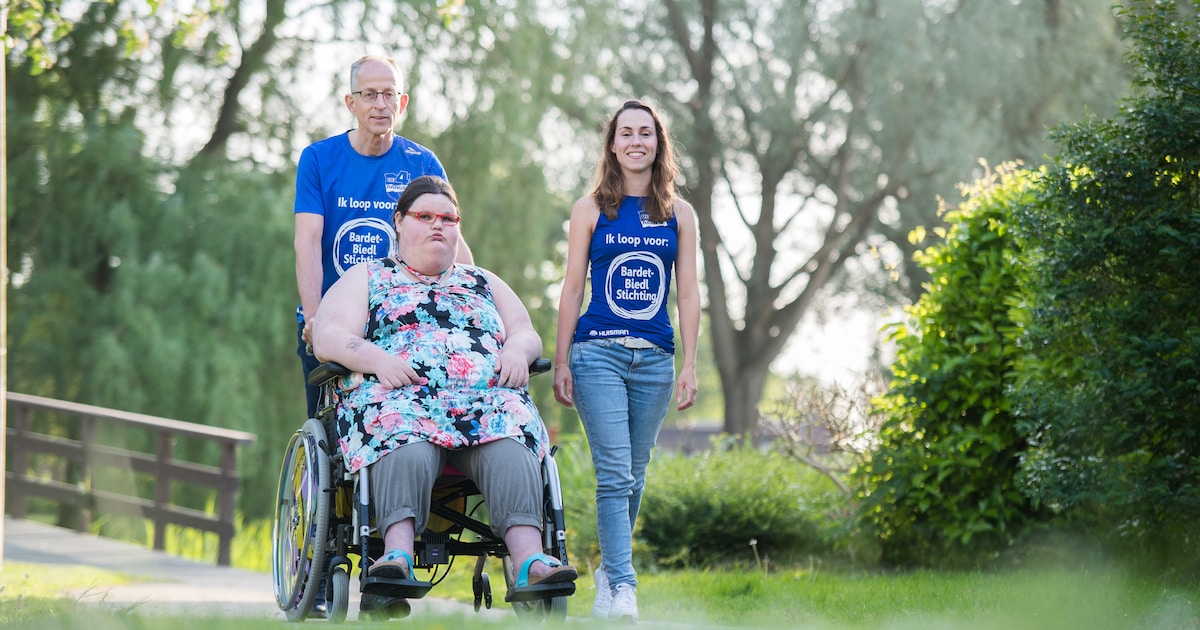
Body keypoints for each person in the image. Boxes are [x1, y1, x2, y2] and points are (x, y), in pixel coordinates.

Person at [312, 175, 577, 598]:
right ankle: (395, 557)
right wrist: (378, 360)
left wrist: (515, 353)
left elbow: (526, 332)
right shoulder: (369, 276)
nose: (439, 225)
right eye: (426, 216)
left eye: (448, 218)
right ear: (399, 221)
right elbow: (328, 337)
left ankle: (531, 561)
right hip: (402, 399)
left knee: (514, 433)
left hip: (486, 404)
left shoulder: (483, 281)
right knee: (401, 432)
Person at [552, 99, 700, 622]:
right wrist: (562, 359)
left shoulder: (679, 214)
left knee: (634, 477)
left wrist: (689, 364)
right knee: (614, 476)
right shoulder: (590, 208)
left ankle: (608, 574)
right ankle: (624, 586)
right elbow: (572, 289)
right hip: (598, 356)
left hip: (656, 362)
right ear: (613, 145)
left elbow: (687, 295)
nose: (636, 141)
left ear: (658, 144)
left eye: (646, 133)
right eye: (626, 133)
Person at [295, 54, 474, 419]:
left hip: (401, 316)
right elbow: (308, 241)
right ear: (351, 102)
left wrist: (475, 304)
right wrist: (315, 318)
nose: (381, 104)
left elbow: (450, 238)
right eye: (370, 94)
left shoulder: (421, 162)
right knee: (326, 429)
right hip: (336, 318)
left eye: (389, 95)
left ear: (402, 102)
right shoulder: (318, 159)